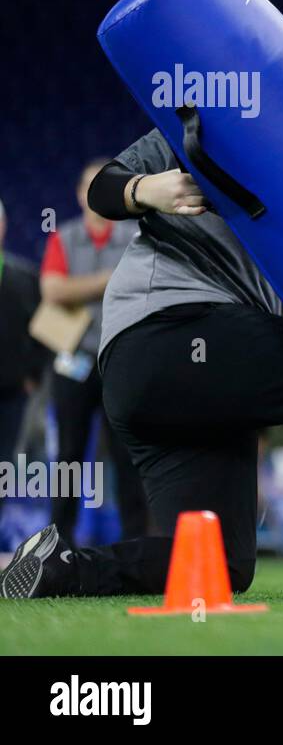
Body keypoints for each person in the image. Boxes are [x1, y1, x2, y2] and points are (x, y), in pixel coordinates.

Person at [2, 38, 283, 599]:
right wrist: (150, 188)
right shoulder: (227, 124)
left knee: (218, 566)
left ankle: (59, 570)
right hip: (166, 337)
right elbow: (105, 188)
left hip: (181, 384)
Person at [40, 160, 147, 544]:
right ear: (78, 195)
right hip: (74, 362)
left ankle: (137, 542)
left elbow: (145, 285)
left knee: (128, 457)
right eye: (87, 187)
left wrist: (77, 287)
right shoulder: (64, 237)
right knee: (68, 455)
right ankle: (57, 542)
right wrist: (107, 280)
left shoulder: (137, 234)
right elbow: (52, 291)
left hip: (120, 359)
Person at [0, 198, 47, 543]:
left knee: (3, 465)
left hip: (11, 391)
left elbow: (44, 330)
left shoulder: (25, 276)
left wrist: (33, 375)